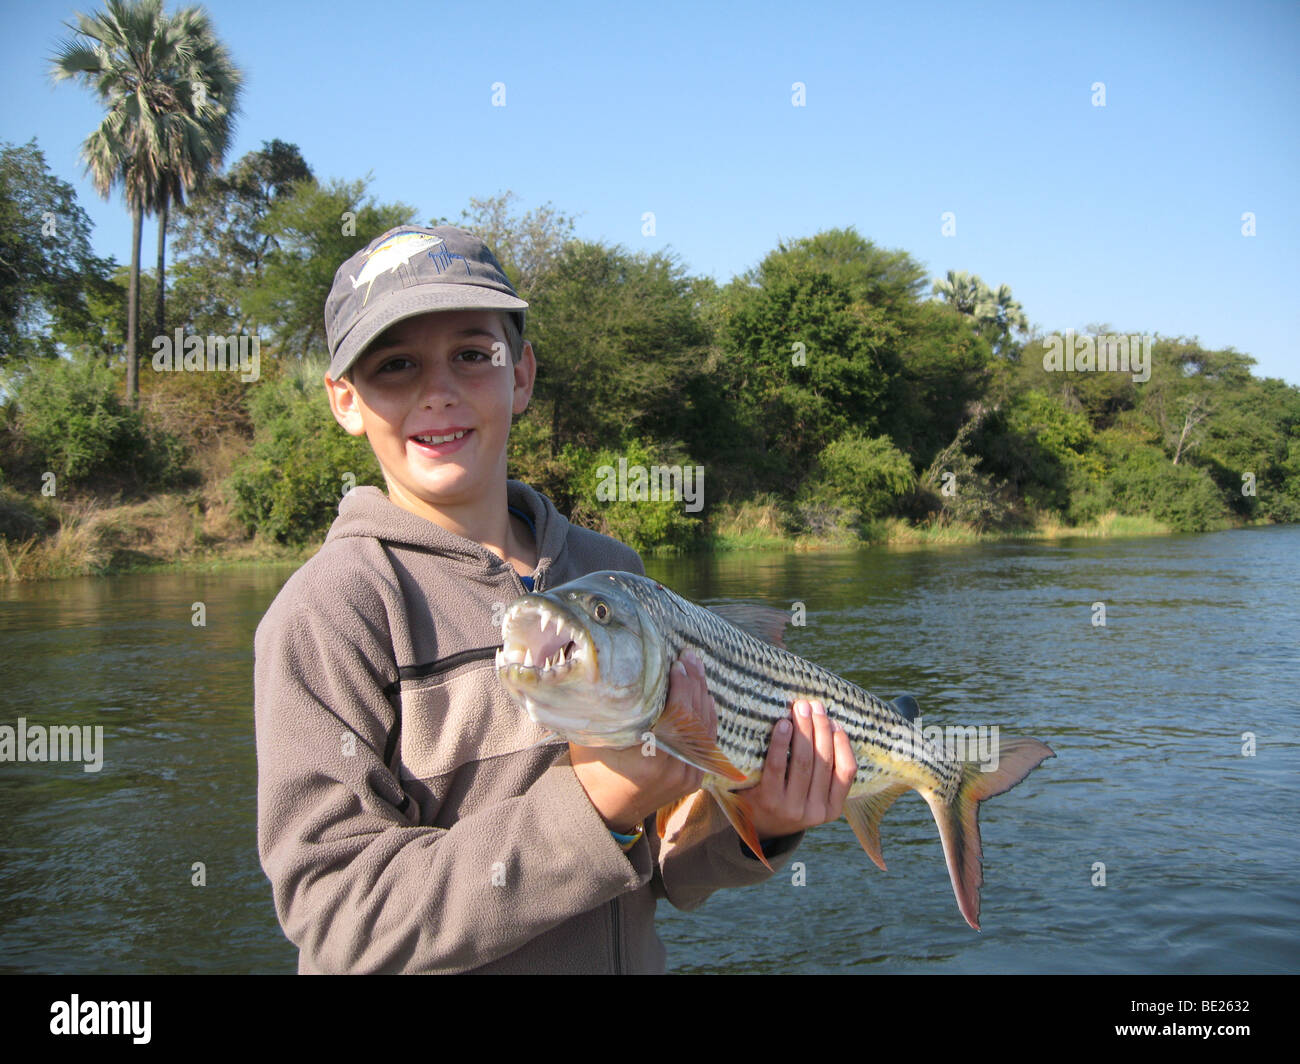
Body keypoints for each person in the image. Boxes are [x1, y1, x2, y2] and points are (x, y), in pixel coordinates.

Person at [253, 224, 857, 973]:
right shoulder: (330, 612)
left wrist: (760, 821)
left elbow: (663, 867)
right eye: (395, 365)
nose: (437, 391)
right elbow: (339, 918)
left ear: (522, 374)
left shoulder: (614, 573)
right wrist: (595, 801)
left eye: (473, 354)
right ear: (345, 400)